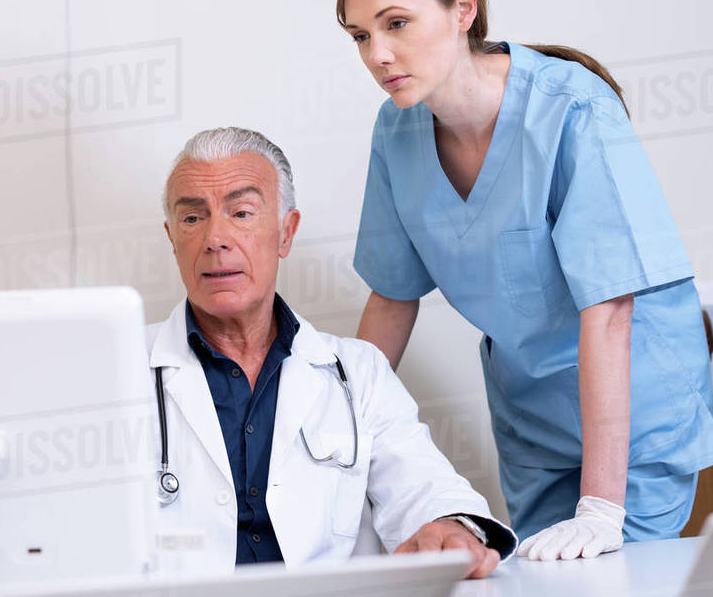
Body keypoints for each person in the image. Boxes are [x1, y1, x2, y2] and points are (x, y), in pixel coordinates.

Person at [335, 0, 713, 561]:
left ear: (464, 8)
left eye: (395, 23)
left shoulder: (571, 107)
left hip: (635, 417)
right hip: (533, 422)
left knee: (615, 580)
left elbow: (610, 308)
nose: (377, 53)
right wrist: (335, 418)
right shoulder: (396, 130)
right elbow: (392, 297)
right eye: (359, 36)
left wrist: (602, 506)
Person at [146, 126, 516, 576]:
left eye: (241, 212)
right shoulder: (117, 372)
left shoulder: (358, 372)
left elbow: (425, 489)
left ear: (286, 232)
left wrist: (449, 526)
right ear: (172, 237)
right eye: (192, 218)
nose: (214, 238)